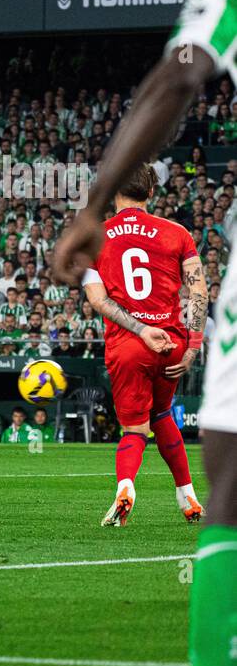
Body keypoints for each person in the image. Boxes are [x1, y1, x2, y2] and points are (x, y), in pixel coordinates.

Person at [50, 0, 237, 666]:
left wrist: (92, 205)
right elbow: (196, 279)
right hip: (173, 333)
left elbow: (179, 75)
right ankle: (180, 491)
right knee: (165, 415)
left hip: (127, 335)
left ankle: (157, 493)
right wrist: (189, 332)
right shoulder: (180, 231)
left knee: (219, 490)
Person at [70, 164, 206, 526]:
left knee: (134, 429)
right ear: (151, 192)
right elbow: (198, 293)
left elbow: (98, 301)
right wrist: (191, 347)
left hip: (130, 346)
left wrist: (141, 330)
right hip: (172, 344)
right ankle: (187, 495)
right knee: (161, 414)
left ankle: (126, 487)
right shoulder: (178, 233)